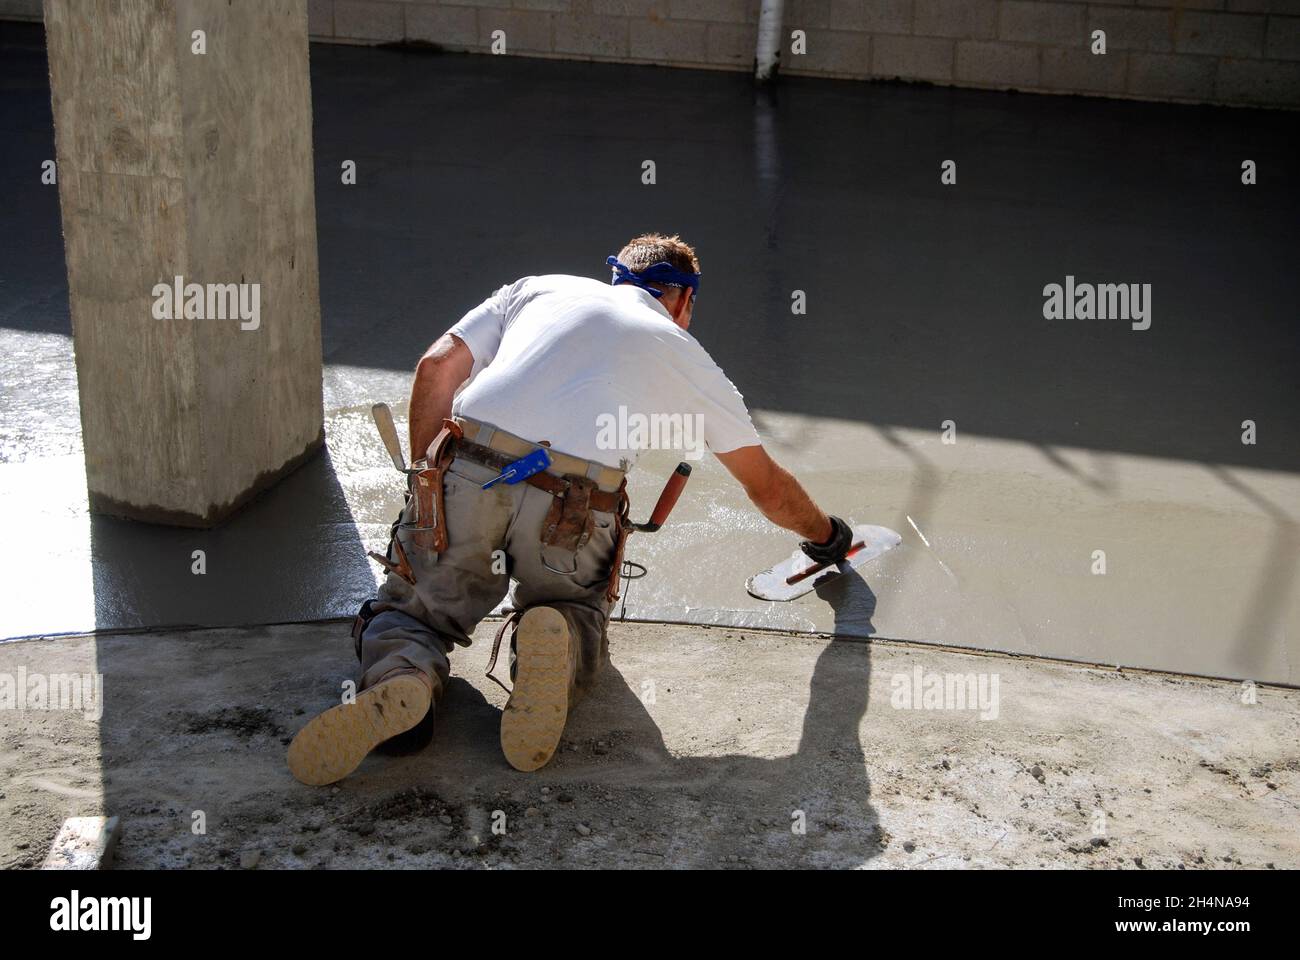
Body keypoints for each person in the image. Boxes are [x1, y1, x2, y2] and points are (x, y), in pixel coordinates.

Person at [287, 233, 852, 784]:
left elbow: (436, 367)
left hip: (472, 467)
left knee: (416, 609)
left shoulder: (539, 289)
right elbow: (767, 488)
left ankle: (402, 674)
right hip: (578, 501)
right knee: (573, 608)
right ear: (683, 300)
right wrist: (827, 536)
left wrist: (428, 486)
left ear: (617, 276)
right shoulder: (686, 354)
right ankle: (555, 632)